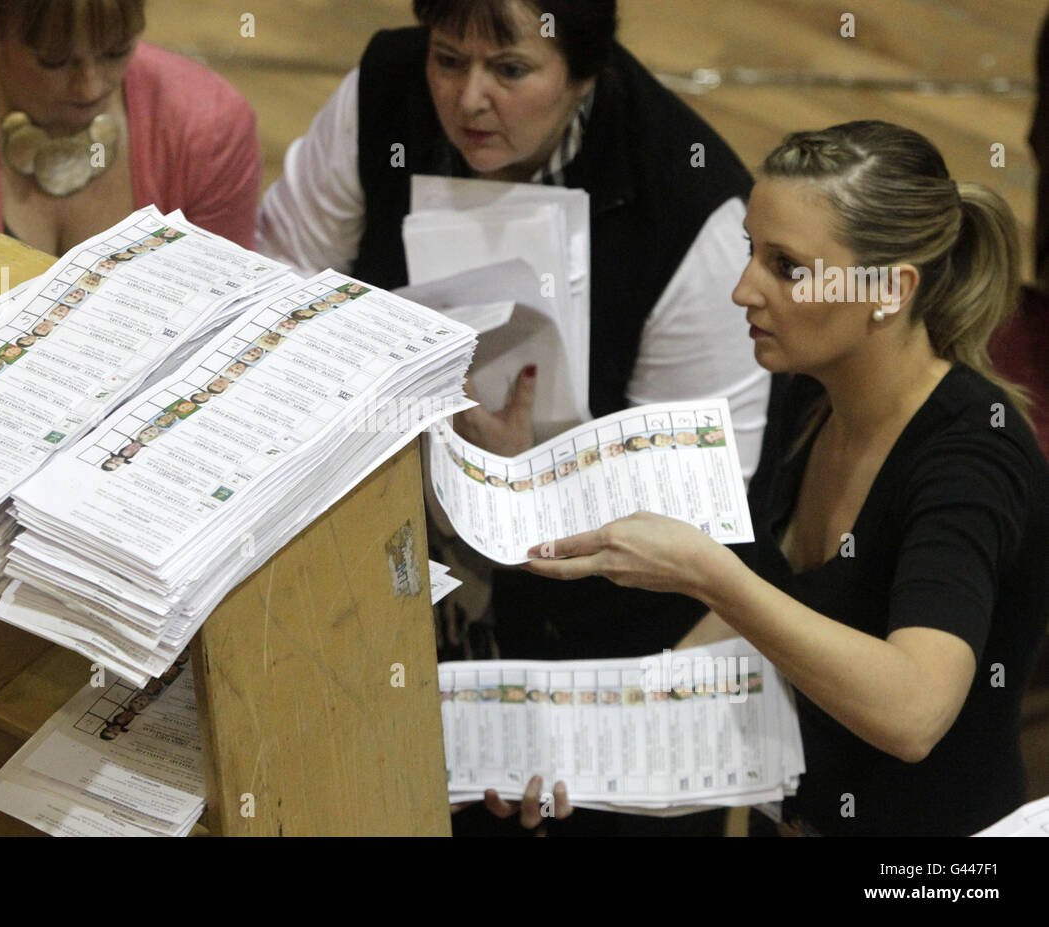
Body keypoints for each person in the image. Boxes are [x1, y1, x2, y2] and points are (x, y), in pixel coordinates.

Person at [526, 121, 1049, 836]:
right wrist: (589, 742)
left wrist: (711, 573)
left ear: (888, 290)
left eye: (787, 267)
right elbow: (760, 604)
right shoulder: (808, 388)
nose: (744, 289)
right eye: (751, 251)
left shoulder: (971, 457)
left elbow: (915, 710)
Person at [259, 0, 766, 687]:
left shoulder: (687, 207)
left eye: (510, 69)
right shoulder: (385, 91)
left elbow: (694, 504)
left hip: (593, 623)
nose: (469, 99)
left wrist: (529, 485)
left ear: (583, 74)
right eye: (447, 59)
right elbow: (284, 290)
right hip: (376, 527)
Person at [0, 0, 260, 254]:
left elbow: (219, 313)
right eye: (54, 61)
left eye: (116, 51)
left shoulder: (211, 128)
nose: (91, 86)